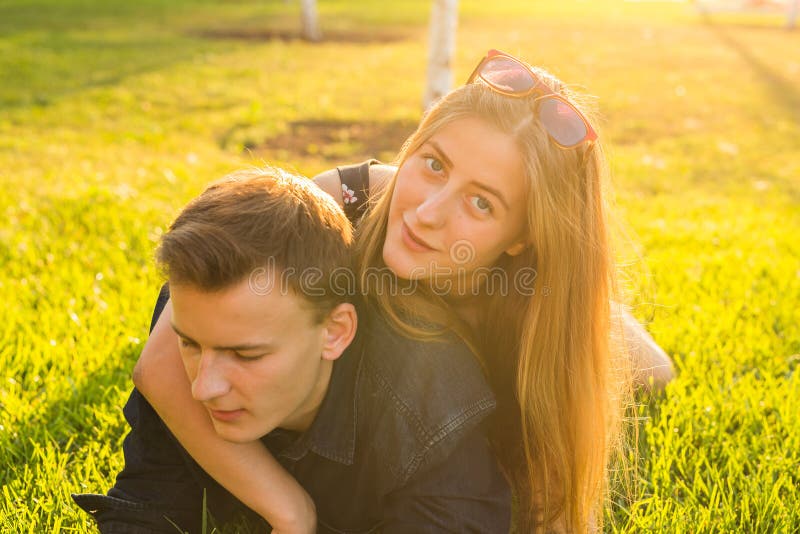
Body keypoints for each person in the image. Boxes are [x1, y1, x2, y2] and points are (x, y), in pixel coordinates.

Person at [132, 49, 674, 532]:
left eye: (481, 202)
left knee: (649, 369)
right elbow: (160, 371)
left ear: (522, 236)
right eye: (434, 164)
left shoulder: (532, 313)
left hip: (552, 309)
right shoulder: (348, 199)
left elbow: (555, 503)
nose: (427, 213)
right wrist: (289, 507)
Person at [72, 169, 511, 533]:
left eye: (246, 356)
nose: (203, 387)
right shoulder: (208, 319)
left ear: (335, 332)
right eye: (187, 344)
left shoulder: (427, 412)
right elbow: (146, 509)